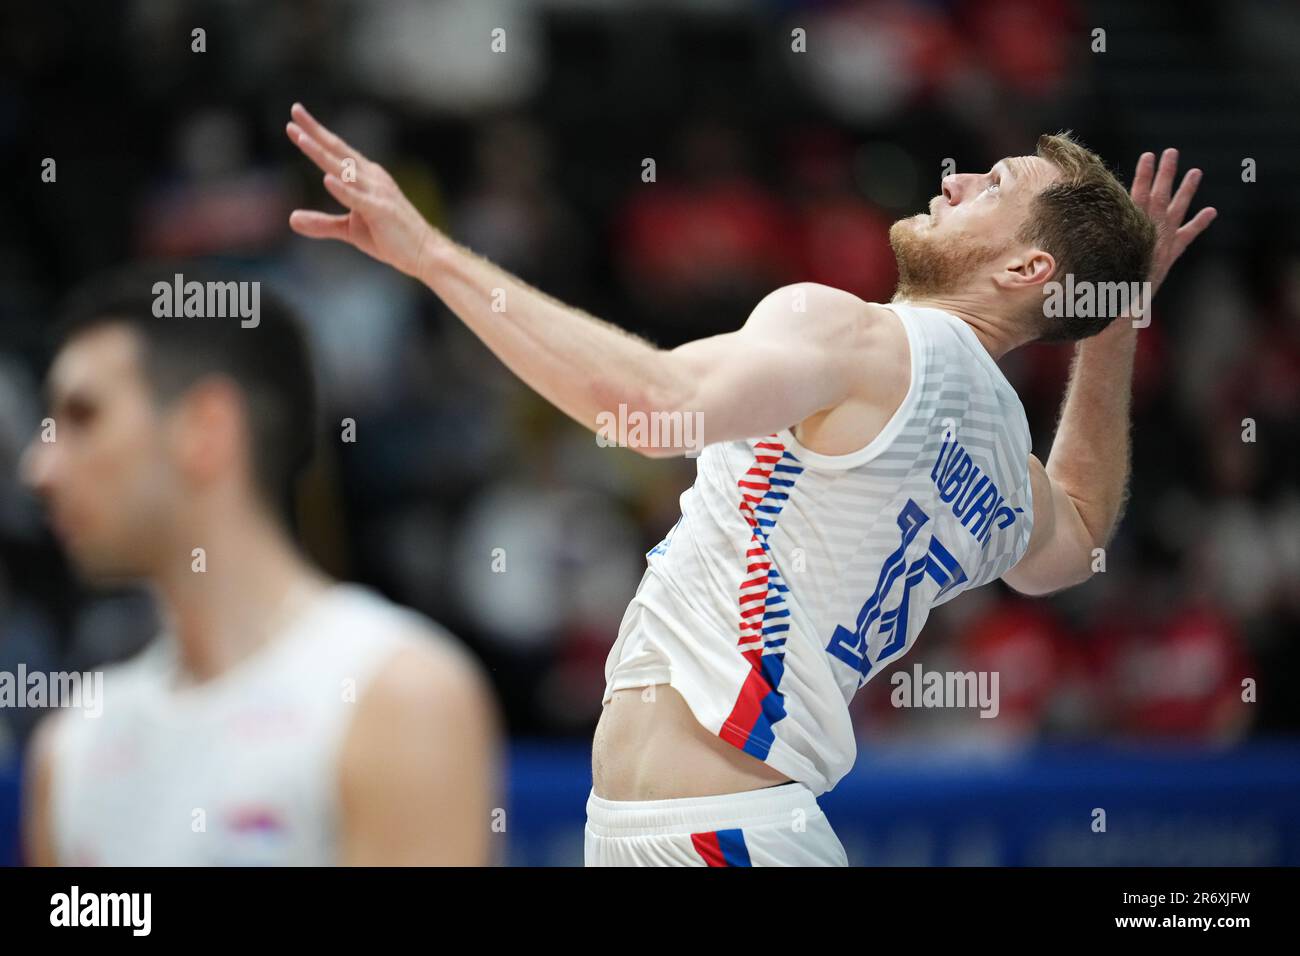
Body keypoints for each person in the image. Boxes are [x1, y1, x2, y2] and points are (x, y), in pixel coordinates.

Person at [285, 103, 1214, 866]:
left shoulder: (852, 333)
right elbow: (1081, 537)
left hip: (715, 834)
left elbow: (649, 410)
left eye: (994, 185)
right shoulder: (1006, 463)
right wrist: (1114, 324)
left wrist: (428, 253)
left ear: (1024, 268)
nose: (955, 179)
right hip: (720, 827)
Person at [21, 267, 498, 865]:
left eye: (83, 416)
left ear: (205, 429)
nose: (39, 468)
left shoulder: (398, 697)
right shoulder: (68, 752)